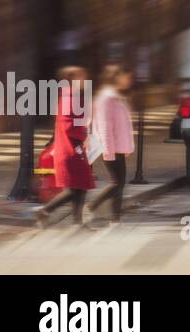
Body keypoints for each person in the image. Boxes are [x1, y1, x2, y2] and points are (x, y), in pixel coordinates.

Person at [33, 66, 95, 229]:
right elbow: (68, 125)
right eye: (82, 76)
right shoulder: (69, 97)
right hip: (70, 148)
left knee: (79, 185)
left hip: (72, 146)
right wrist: (84, 135)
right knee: (77, 185)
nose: (84, 79)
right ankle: (48, 212)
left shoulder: (72, 96)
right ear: (73, 79)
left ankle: (75, 221)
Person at [86, 64, 135, 224]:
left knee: (119, 183)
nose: (128, 80)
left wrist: (127, 145)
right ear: (116, 77)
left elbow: (123, 124)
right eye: (125, 76)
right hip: (111, 147)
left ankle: (116, 218)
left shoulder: (116, 97)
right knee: (117, 183)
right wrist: (109, 150)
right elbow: (105, 126)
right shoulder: (106, 98)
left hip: (118, 147)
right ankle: (92, 206)